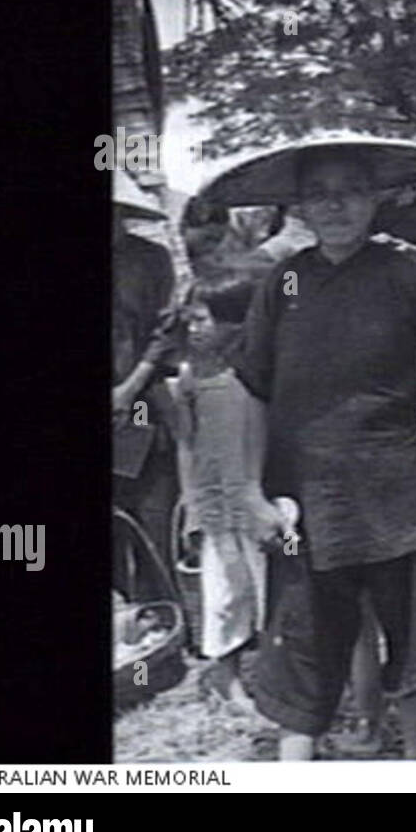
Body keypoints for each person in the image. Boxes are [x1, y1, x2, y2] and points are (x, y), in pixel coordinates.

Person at [235, 143, 416, 760]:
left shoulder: (405, 273)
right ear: (300, 205)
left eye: (351, 188)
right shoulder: (285, 279)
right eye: (320, 191)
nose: (335, 203)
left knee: (412, 638)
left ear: (375, 198)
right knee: (304, 640)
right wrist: (251, 491)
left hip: (395, 493)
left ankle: (413, 758)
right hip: (304, 495)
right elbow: (253, 385)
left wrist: (413, 396)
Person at [166, 274, 292, 707]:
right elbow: (186, 441)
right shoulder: (188, 377)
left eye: (203, 319)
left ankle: (282, 678)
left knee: (273, 589)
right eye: (190, 321)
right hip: (215, 499)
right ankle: (227, 676)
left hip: (262, 498)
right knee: (223, 592)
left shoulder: (264, 370)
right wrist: (190, 501)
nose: (194, 329)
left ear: (237, 322)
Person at [112, 172, 179, 591]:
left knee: (153, 522)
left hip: (141, 402)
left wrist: (128, 388)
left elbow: (167, 330)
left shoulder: (151, 259)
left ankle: (168, 626)